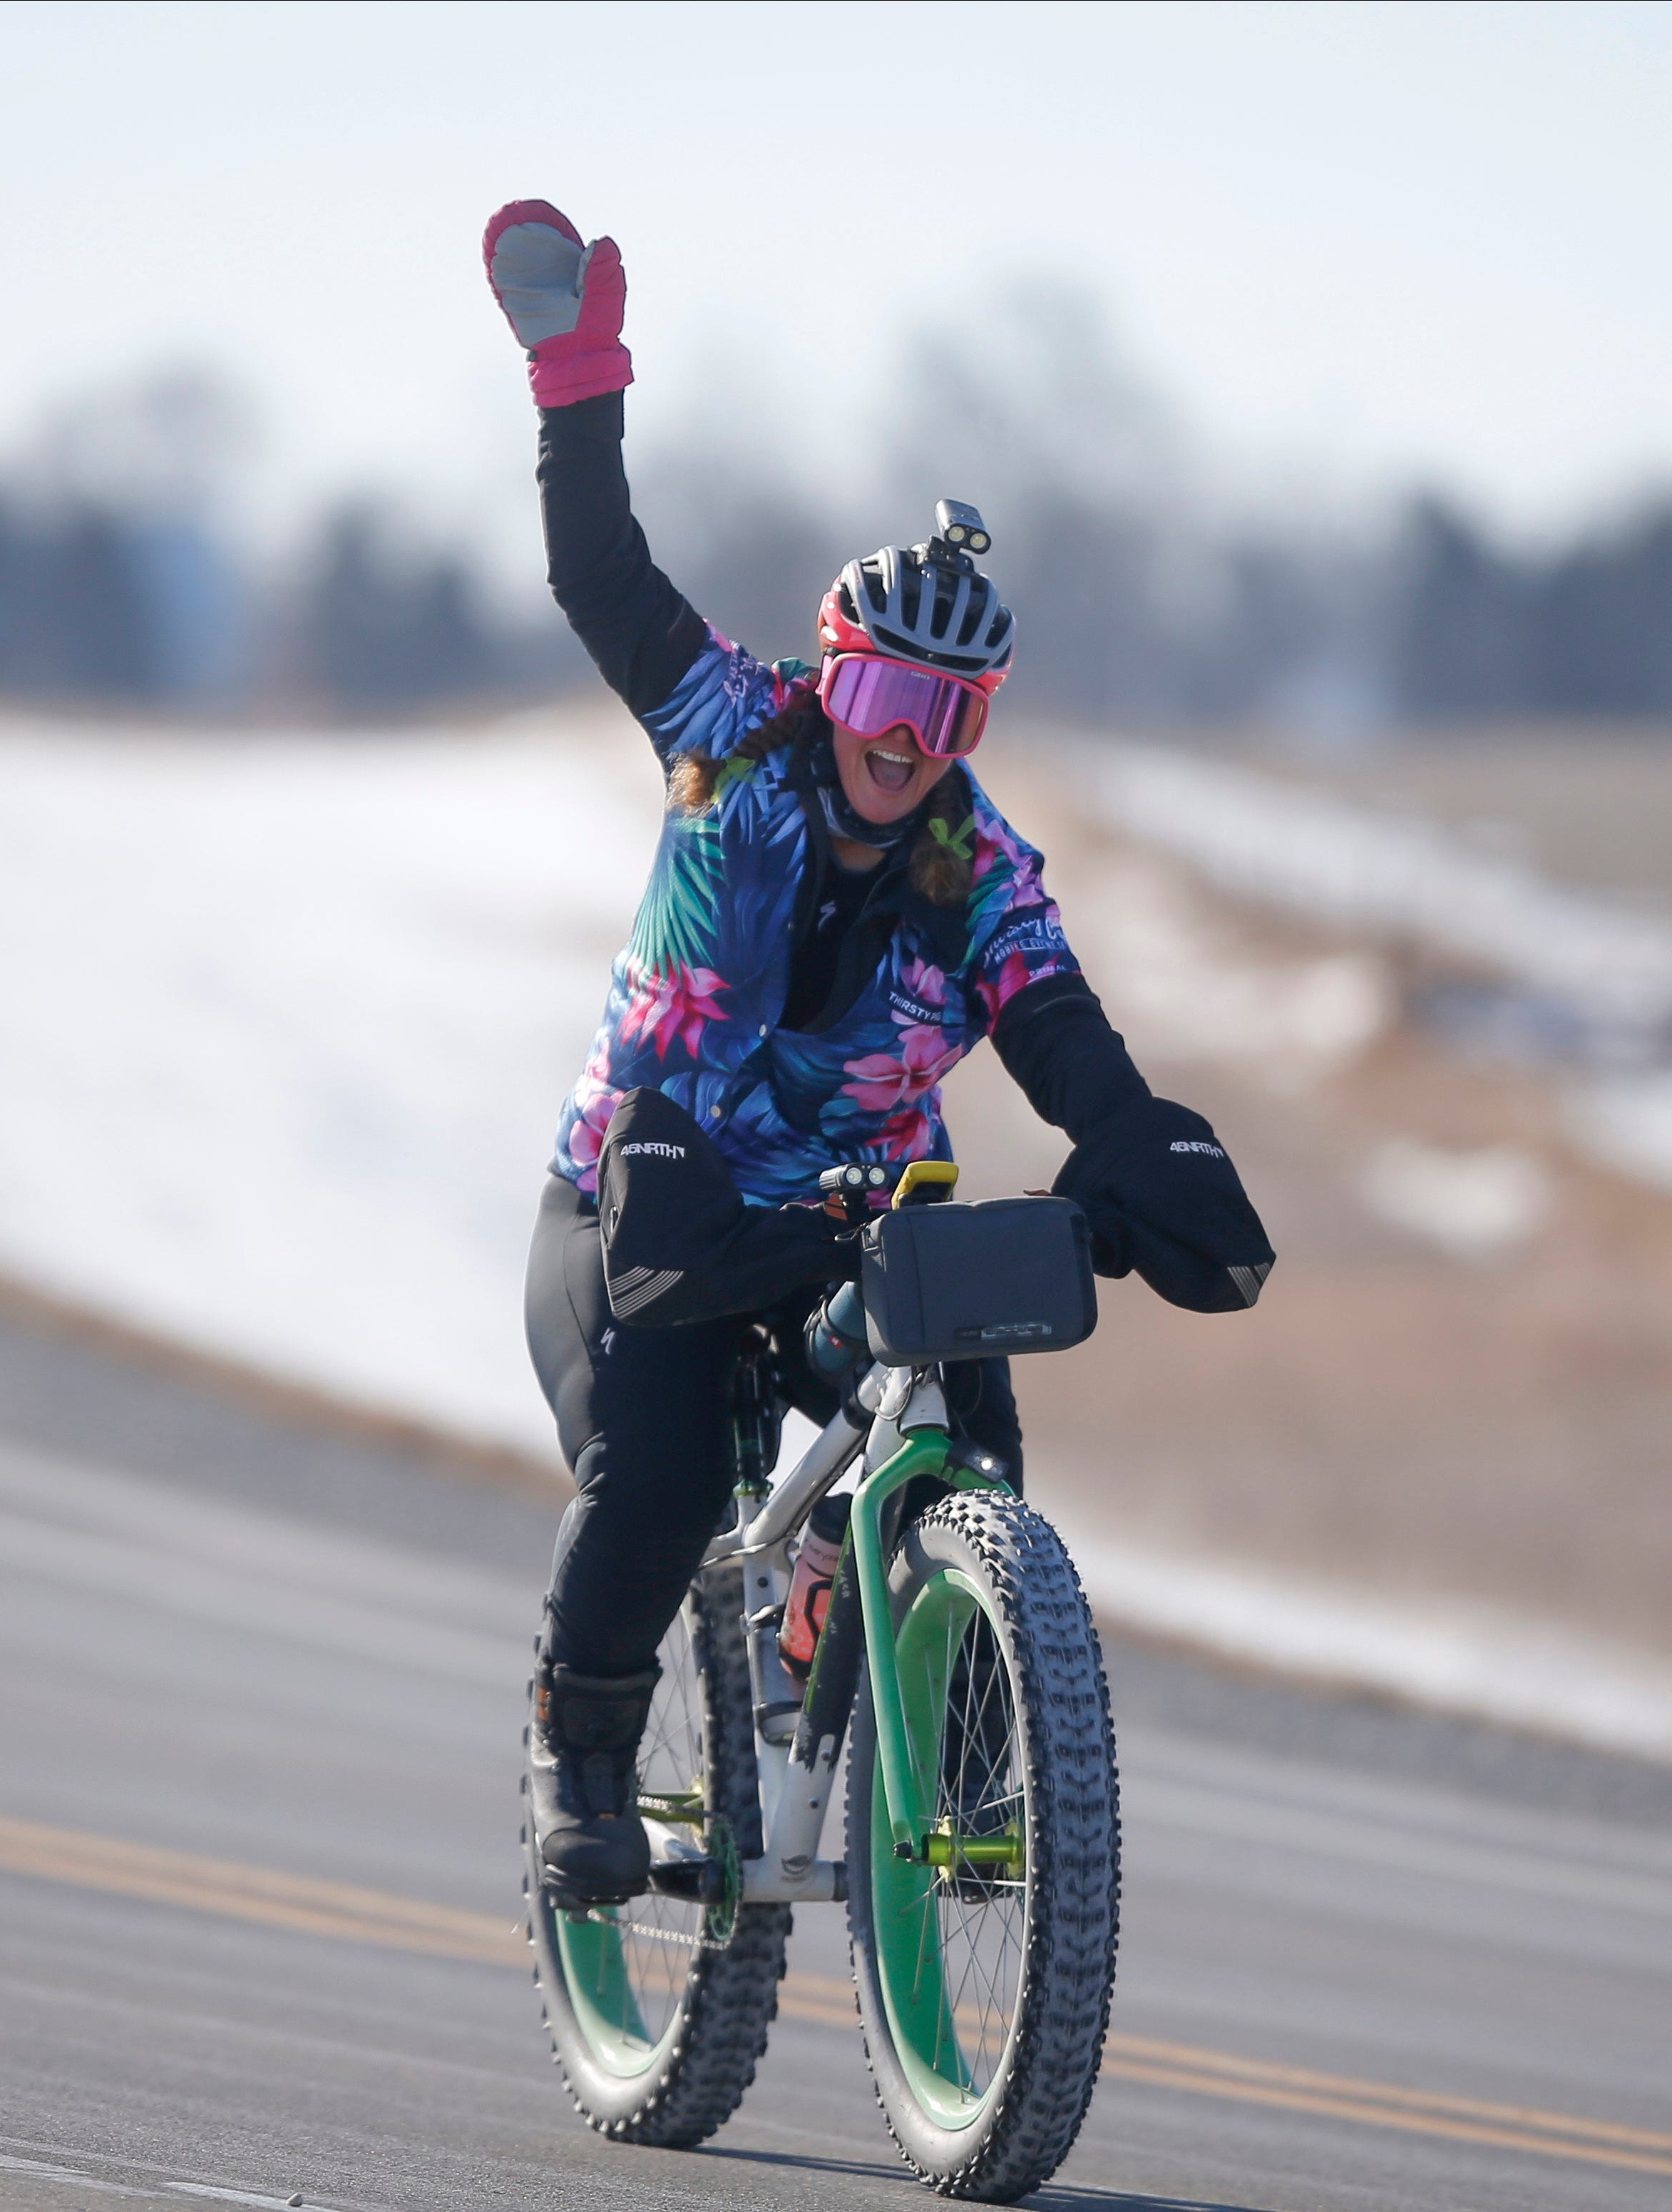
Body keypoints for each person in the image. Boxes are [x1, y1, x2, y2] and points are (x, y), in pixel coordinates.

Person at [479, 201, 1277, 1905]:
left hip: (834, 1230)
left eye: (949, 721)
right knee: (669, 1468)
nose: (905, 748)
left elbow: (1066, 1039)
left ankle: (971, 1747)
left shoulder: (978, 871)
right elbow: (600, 577)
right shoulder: (727, 737)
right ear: (828, 681)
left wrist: (1143, 1157)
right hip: (638, 1220)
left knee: (967, 1394)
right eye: (882, 703)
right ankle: (585, 1749)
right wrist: (579, 381)